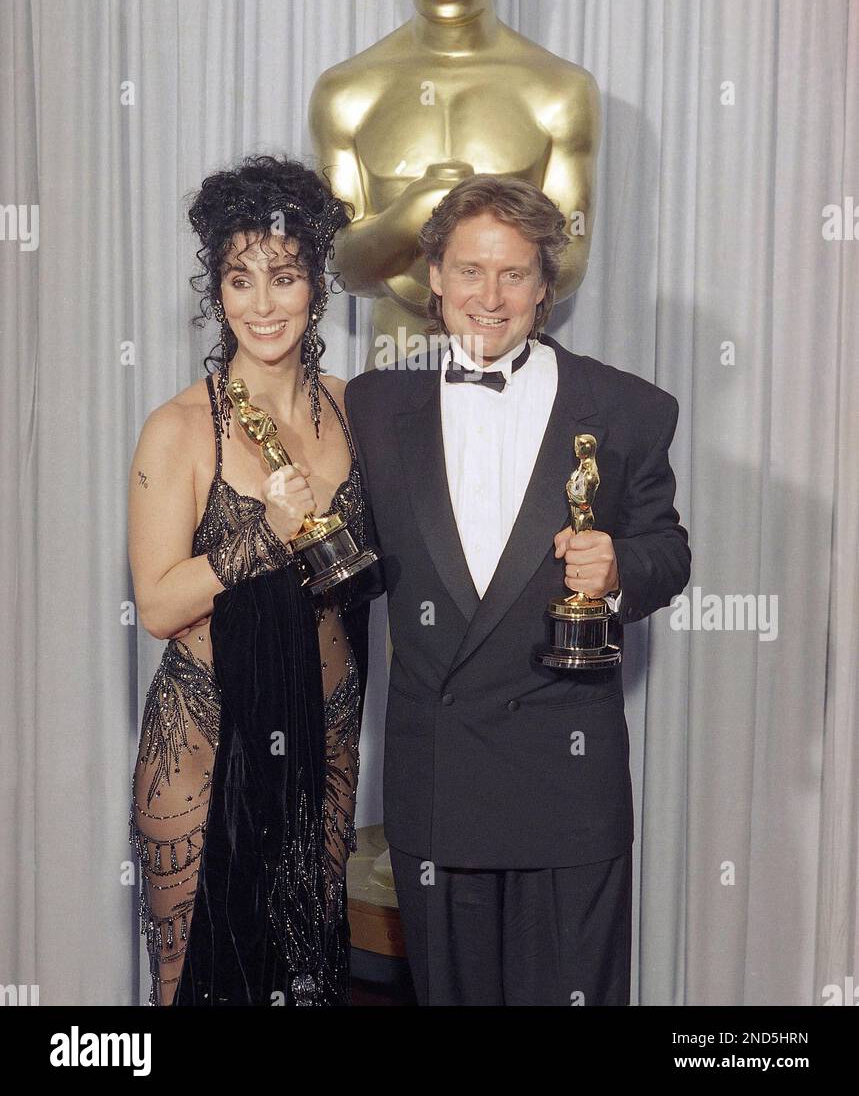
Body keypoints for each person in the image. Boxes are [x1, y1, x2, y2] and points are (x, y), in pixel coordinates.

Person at [344, 174, 691, 1007]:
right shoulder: (372, 406)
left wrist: (618, 572)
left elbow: (667, 551)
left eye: (512, 275)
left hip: (566, 773)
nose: (488, 298)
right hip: (439, 770)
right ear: (433, 277)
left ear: (547, 285)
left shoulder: (627, 407)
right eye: (468, 271)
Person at [128, 155, 378, 1006]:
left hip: (328, 740)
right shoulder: (180, 426)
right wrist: (260, 539)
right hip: (206, 742)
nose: (262, 304)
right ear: (217, 289)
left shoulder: (353, 406)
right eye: (240, 280)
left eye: (284, 276)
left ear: (317, 282)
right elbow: (158, 603)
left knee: (310, 981)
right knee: (195, 985)